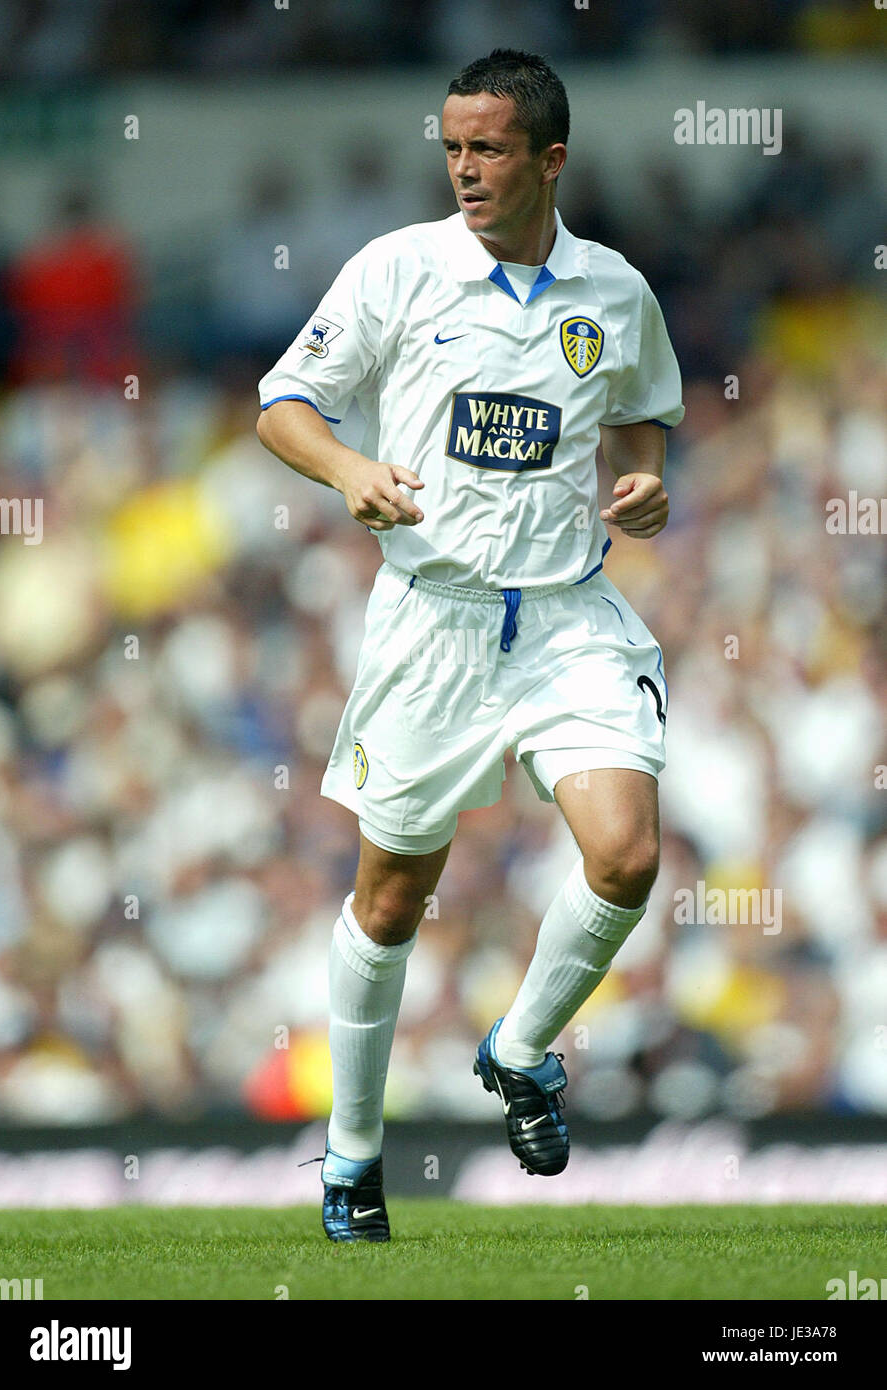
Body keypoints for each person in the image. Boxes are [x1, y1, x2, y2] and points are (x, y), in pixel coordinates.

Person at [256, 49, 684, 1242]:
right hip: (432, 625)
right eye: (450, 146)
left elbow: (645, 404)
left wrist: (645, 475)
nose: (463, 169)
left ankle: (521, 1045)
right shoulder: (398, 268)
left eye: (487, 149)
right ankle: (350, 1162)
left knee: (628, 854)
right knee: (391, 901)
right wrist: (348, 469)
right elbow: (282, 401)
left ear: (550, 158)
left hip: (564, 618)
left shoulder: (612, 290)